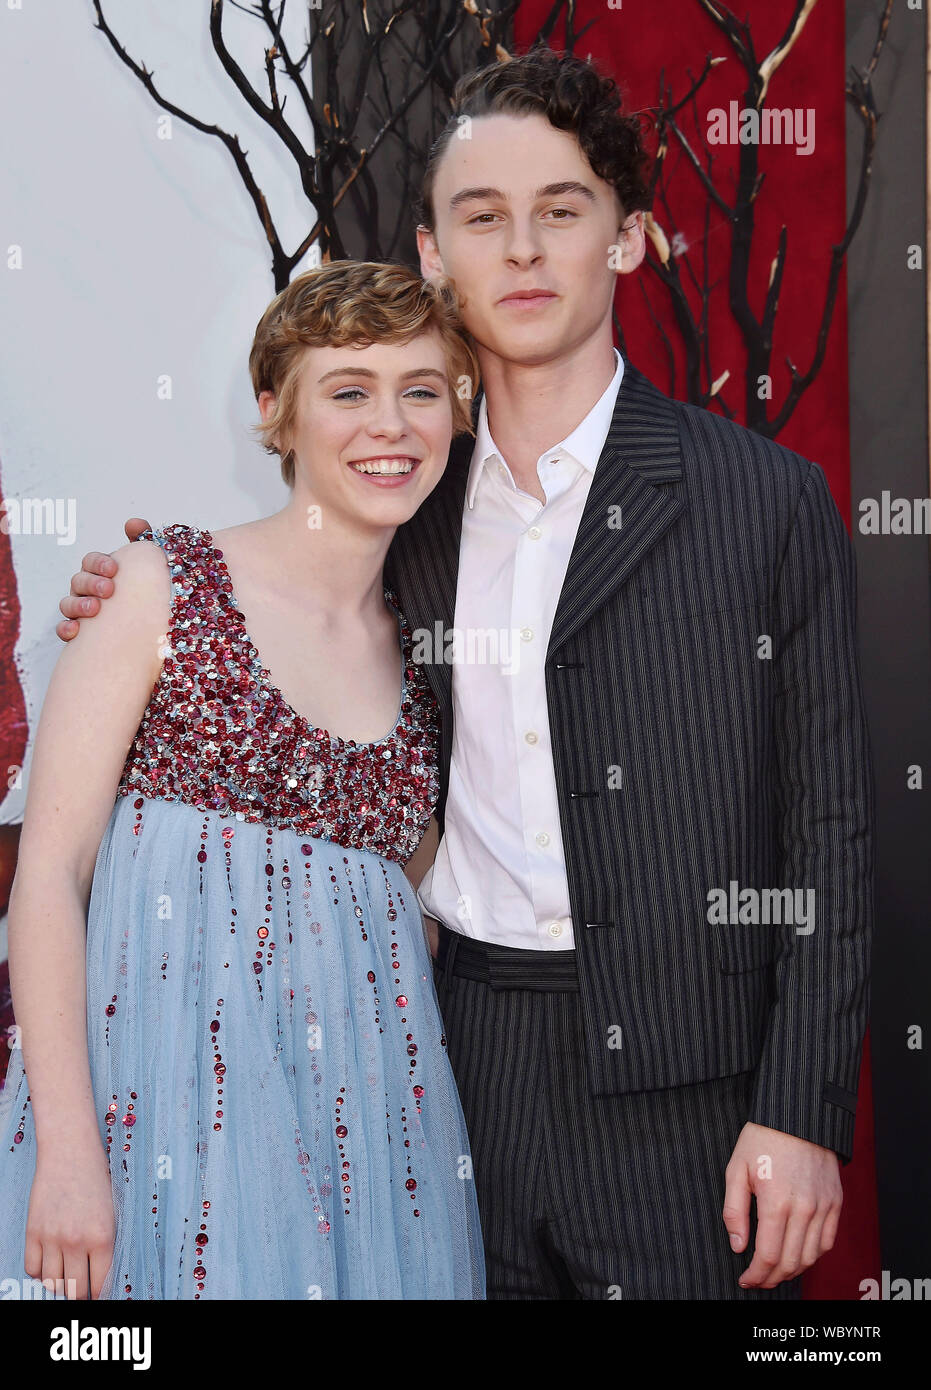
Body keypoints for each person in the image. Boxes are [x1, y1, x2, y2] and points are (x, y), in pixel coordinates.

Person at [58, 47, 874, 1300]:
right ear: (434, 254)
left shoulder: (762, 502)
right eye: (482, 218)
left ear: (629, 237)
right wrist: (139, 596)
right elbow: (278, 606)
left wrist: (803, 1108)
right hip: (443, 1065)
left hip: (687, 1100)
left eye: (563, 210)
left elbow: (831, 828)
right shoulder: (403, 504)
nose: (525, 250)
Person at [1, 260, 486, 1300]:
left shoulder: (426, 647)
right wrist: (70, 1151)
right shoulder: (154, 588)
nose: (389, 424)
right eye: (347, 390)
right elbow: (48, 874)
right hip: (157, 1121)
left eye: (420, 389)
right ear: (276, 413)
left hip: (367, 1146)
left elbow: (422, 906)